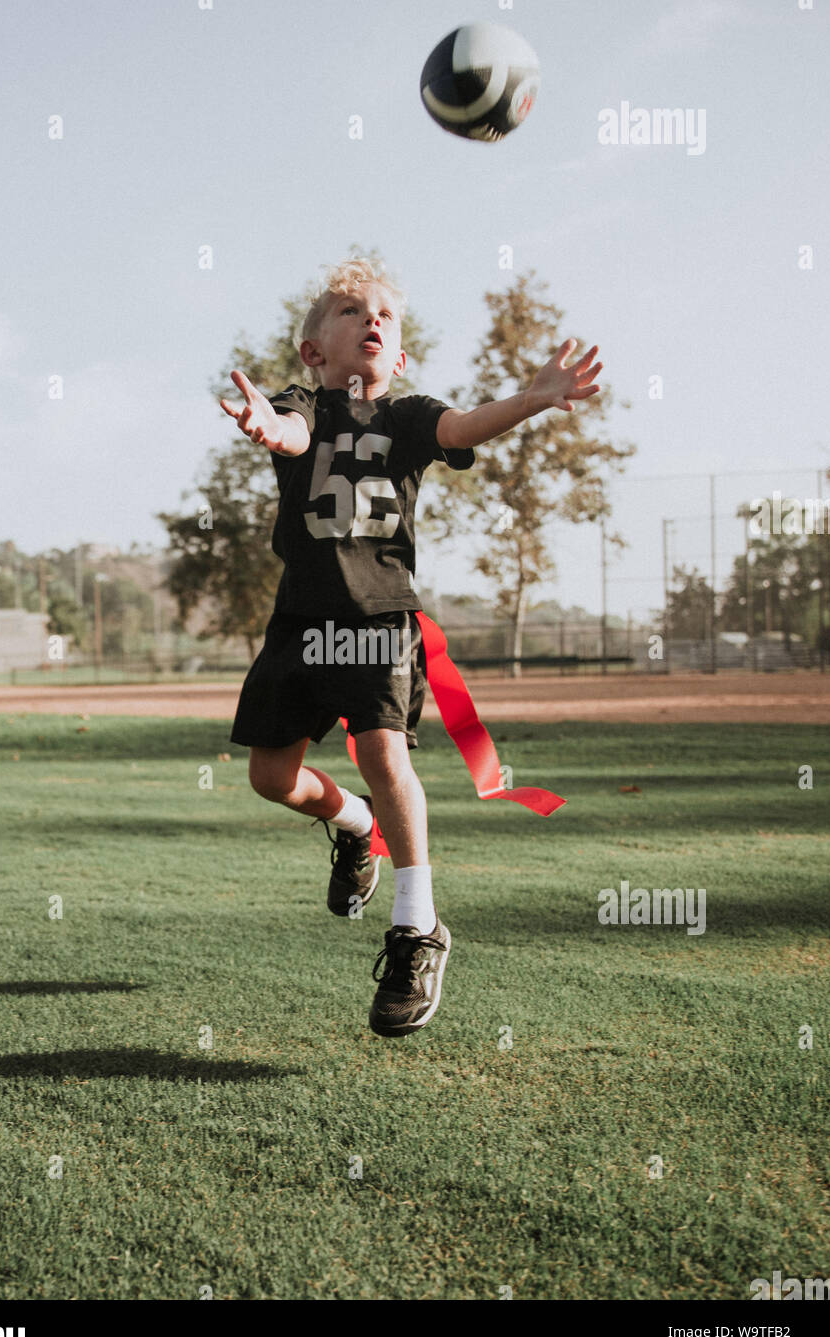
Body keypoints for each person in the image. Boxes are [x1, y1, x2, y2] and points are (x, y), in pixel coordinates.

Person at [221, 257, 602, 1037]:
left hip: (377, 620)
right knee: (269, 777)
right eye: (353, 311)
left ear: (397, 357)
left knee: (382, 754)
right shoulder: (299, 407)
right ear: (312, 350)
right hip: (299, 626)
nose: (374, 321)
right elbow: (290, 434)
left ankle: (416, 925)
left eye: (387, 318)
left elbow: (461, 429)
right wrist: (268, 427)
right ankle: (358, 828)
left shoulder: (403, 417)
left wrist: (530, 400)